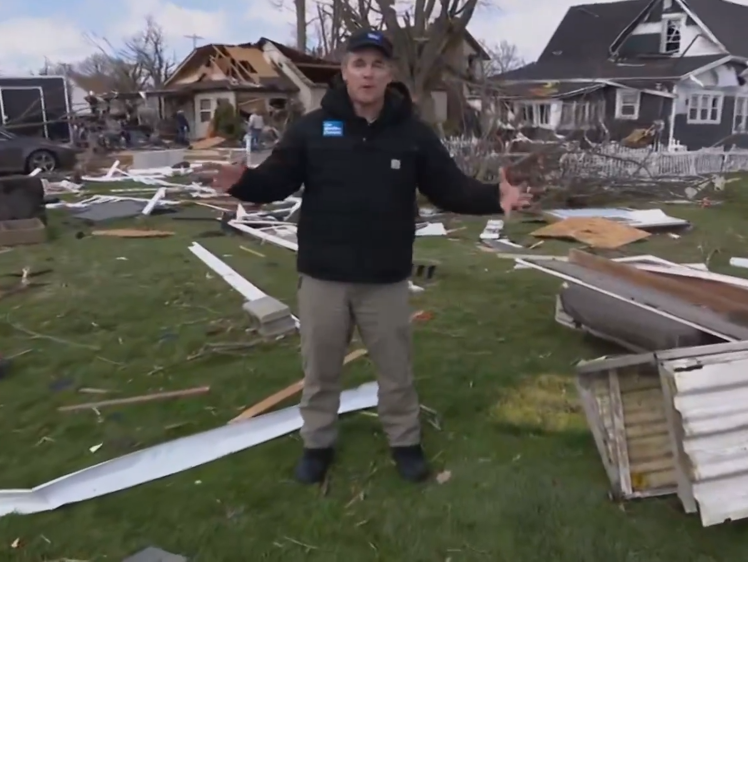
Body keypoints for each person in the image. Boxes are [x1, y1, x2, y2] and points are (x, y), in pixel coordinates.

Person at [216, 29, 533, 484]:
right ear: (344, 72)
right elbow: (276, 182)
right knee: (321, 372)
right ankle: (317, 444)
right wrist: (243, 182)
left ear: (390, 74)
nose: (368, 73)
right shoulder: (312, 129)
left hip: (385, 278)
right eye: (359, 63)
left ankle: (405, 442)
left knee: (395, 371)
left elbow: (449, 188)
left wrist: (493, 197)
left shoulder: (412, 135)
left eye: (377, 64)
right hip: (324, 276)